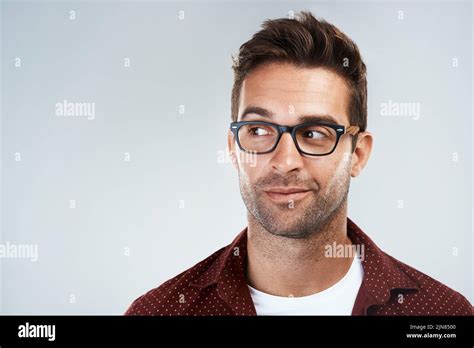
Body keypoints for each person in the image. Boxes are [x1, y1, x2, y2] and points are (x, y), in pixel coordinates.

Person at [125, 11, 471, 316]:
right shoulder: (159, 311)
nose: (285, 161)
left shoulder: (442, 315)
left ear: (358, 154)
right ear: (233, 148)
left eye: (314, 133)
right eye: (259, 129)